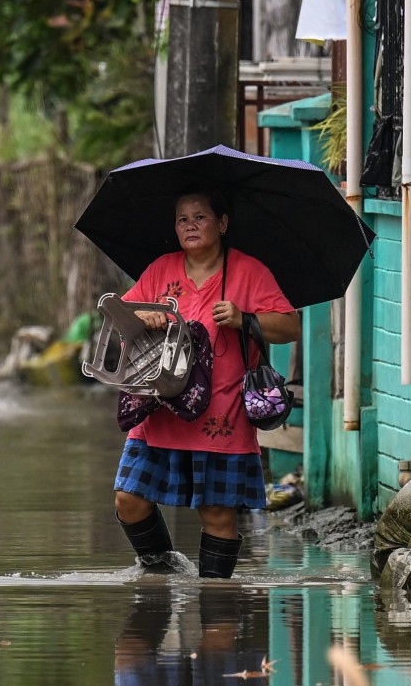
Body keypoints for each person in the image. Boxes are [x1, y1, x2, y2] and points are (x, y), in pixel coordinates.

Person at [113, 187, 301, 578]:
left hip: (221, 414)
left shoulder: (249, 271)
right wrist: (144, 316)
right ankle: (161, 575)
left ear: (222, 223)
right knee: (129, 500)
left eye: (200, 217)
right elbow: (122, 316)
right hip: (160, 410)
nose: (190, 226)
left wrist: (245, 318)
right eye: (182, 219)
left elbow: (289, 327)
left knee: (217, 514)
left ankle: (216, 600)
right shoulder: (161, 269)